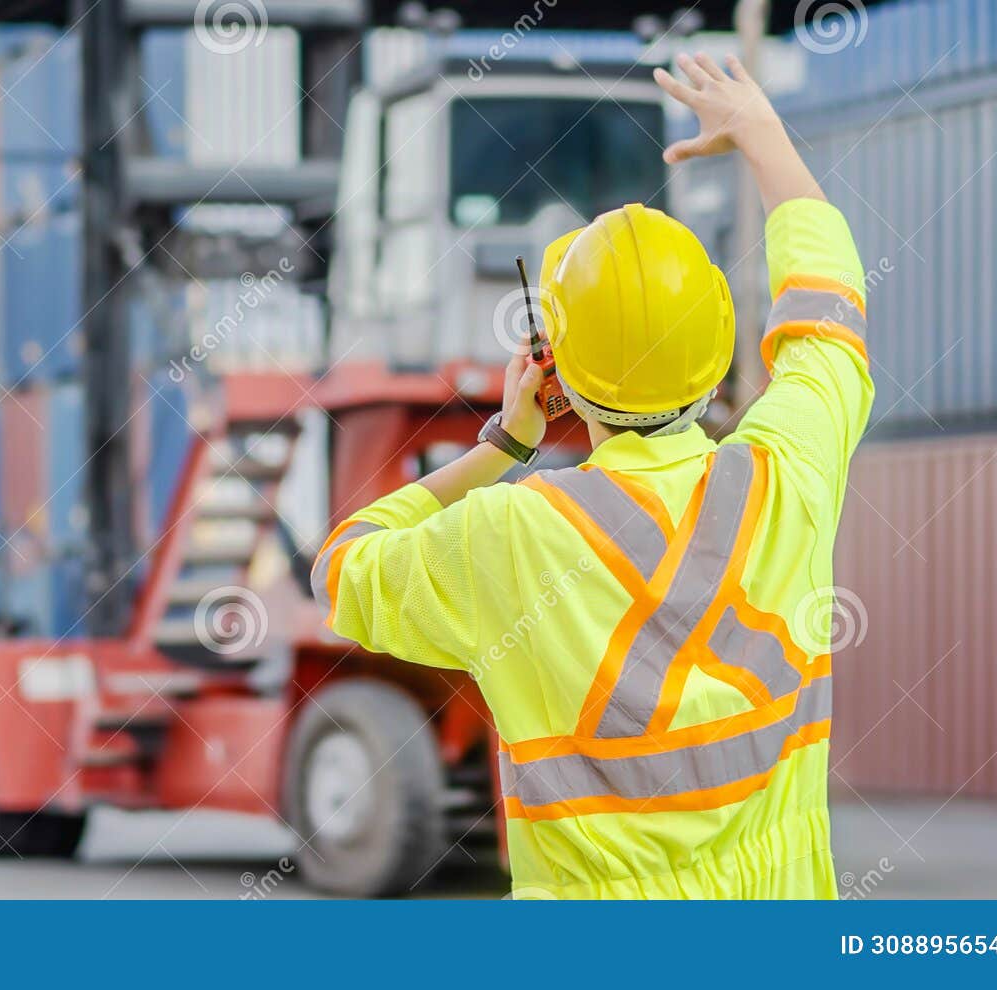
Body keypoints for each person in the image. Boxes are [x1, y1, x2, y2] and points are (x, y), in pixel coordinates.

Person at [312, 53, 872, 899]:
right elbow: (828, 315)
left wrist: (504, 443)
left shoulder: (510, 535)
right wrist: (762, 135)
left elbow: (345, 566)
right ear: (718, 358)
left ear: (560, 378)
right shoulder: (790, 475)